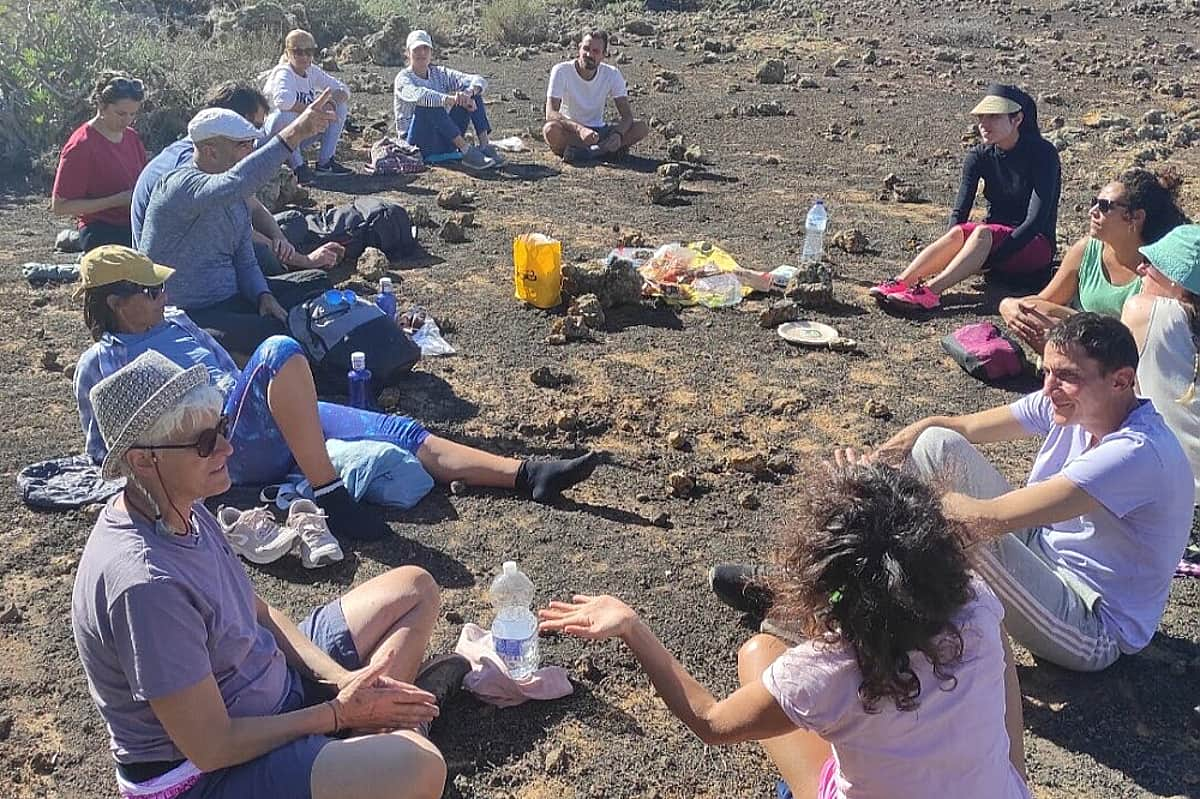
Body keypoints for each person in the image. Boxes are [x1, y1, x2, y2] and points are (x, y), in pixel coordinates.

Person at [72, 348, 471, 799]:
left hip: (271, 689)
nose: (228, 447)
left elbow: (257, 611)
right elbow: (211, 746)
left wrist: (342, 683)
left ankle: (381, 732)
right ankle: (386, 734)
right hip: (209, 774)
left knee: (414, 587)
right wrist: (338, 715)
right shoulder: (146, 587)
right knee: (419, 769)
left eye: (221, 428)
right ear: (144, 460)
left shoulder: (176, 501)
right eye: (205, 443)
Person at [540, 464, 1030, 799]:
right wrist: (1013, 776)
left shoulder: (828, 672)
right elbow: (1004, 664)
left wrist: (632, 626)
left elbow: (711, 722)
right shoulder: (975, 600)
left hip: (838, 675)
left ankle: (779, 603)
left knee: (757, 652)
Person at [74, 246, 601, 542]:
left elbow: (226, 376)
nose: (165, 295)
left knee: (396, 429)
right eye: (151, 291)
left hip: (245, 416)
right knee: (279, 348)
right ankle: (332, 497)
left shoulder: (181, 323)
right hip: (213, 445)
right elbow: (112, 457)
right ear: (118, 303)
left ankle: (526, 475)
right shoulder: (103, 364)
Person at [863, 313, 1191, 672]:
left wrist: (882, 489)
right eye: (1047, 370)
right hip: (1044, 551)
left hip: (1092, 623)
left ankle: (898, 612)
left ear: (1121, 381)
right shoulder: (1073, 405)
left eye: (1067, 376)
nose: (1049, 387)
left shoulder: (1136, 452)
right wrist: (917, 432)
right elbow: (964, 427)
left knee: (961, 533)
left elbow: (986, 518)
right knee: (935, 444)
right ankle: (910, 601)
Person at [140, 100, 339, 359]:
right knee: (277, 334)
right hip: (189, 312)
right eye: (242, 145)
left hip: (233, 297)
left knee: (316, 283)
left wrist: (263, 295)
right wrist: (296, 132)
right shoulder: (180, 185)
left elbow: (244, 258)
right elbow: (236, 182)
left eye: (251, 144)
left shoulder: (237, 197)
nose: (250, 151)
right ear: (211, 151)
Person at [870, 84, 1060, 310]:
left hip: (1034, 244)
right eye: (982, 116)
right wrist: (960, 250)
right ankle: (902, 281)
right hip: (993, 241)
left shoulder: (1043, 154)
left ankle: (930, 292)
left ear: (1017, 119)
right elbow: (959, 214)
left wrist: (993, 257)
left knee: (981, 232)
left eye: (994, 117)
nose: (984, 124)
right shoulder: (979, 156)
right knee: (961, 232)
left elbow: (1036, 220)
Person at [131, 81, 344, 275]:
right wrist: (304, 260)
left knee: (292, 222)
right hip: (180, 269)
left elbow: (251, 205)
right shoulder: (195, 165)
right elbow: (240, 234)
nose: (253, 143)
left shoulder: (212, 148)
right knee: (266, 256)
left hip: (205, 241)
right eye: (253, 130)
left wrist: (279, 239)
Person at [1001, 168, 1189, 353]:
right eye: (1094, 202)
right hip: (1082, 343)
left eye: (1105, 206)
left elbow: (1139, 339)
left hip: (1125, 359)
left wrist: (1075, 319)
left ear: (1136, 217)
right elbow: (1042, 302)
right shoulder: (1086, 250)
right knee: (1029, 314)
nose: (1092, 211)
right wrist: (1008, 304)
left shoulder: (1157, 272)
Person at [1120, 224, 1200, 501]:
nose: (1141, 269)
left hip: (1175, 498)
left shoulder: (1143, 311)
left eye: (1150, 263)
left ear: (1177, 280)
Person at [51, 72, 148, 251]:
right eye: (120, 113)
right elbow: (60, 206)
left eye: (132, 114)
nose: (127, 120)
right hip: (101, 228)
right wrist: (115, 201)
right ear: (102, 106)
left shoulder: (131, 137)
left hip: (134, 222)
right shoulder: (82, 144)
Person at [393, 29, 498, 171]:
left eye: (425, 48)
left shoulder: (439, 73)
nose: (422, 53)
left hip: (443, 136)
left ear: (431, 52)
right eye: (416, 49)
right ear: (408, 52)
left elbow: (478, 80)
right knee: (429, 104)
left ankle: (485, 145)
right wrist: (451, 99)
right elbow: (420, 96)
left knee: (472, 94)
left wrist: (468, 93)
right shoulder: (403, 78)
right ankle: (466, 151)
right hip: (415, 144)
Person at [542, 29, 650, 165]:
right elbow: (551, 113)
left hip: (599, 132)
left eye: (595, 51)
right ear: (578, 48)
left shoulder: (612, 74)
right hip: (571, 131)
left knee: (641, 128)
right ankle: (602, 152)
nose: (589, 54)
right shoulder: (561, 70)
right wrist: (580, 129)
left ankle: (589, 152)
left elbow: (627, 116)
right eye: (586, 49)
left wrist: (618, 135)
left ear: (604, 55)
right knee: (550, 130)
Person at [262, 29, 352, 183]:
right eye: (298, 51)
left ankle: (325, 162)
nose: (304, 56)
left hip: (299, 135)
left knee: (340, 107)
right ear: (288, 52)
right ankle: (298, 167)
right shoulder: (284, 72)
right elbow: (283, 101)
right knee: (285, 116)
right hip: (274, 137)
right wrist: (313, 111)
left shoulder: (311, 71)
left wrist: (330, 104)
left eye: (309, 51)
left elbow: (343, 90)